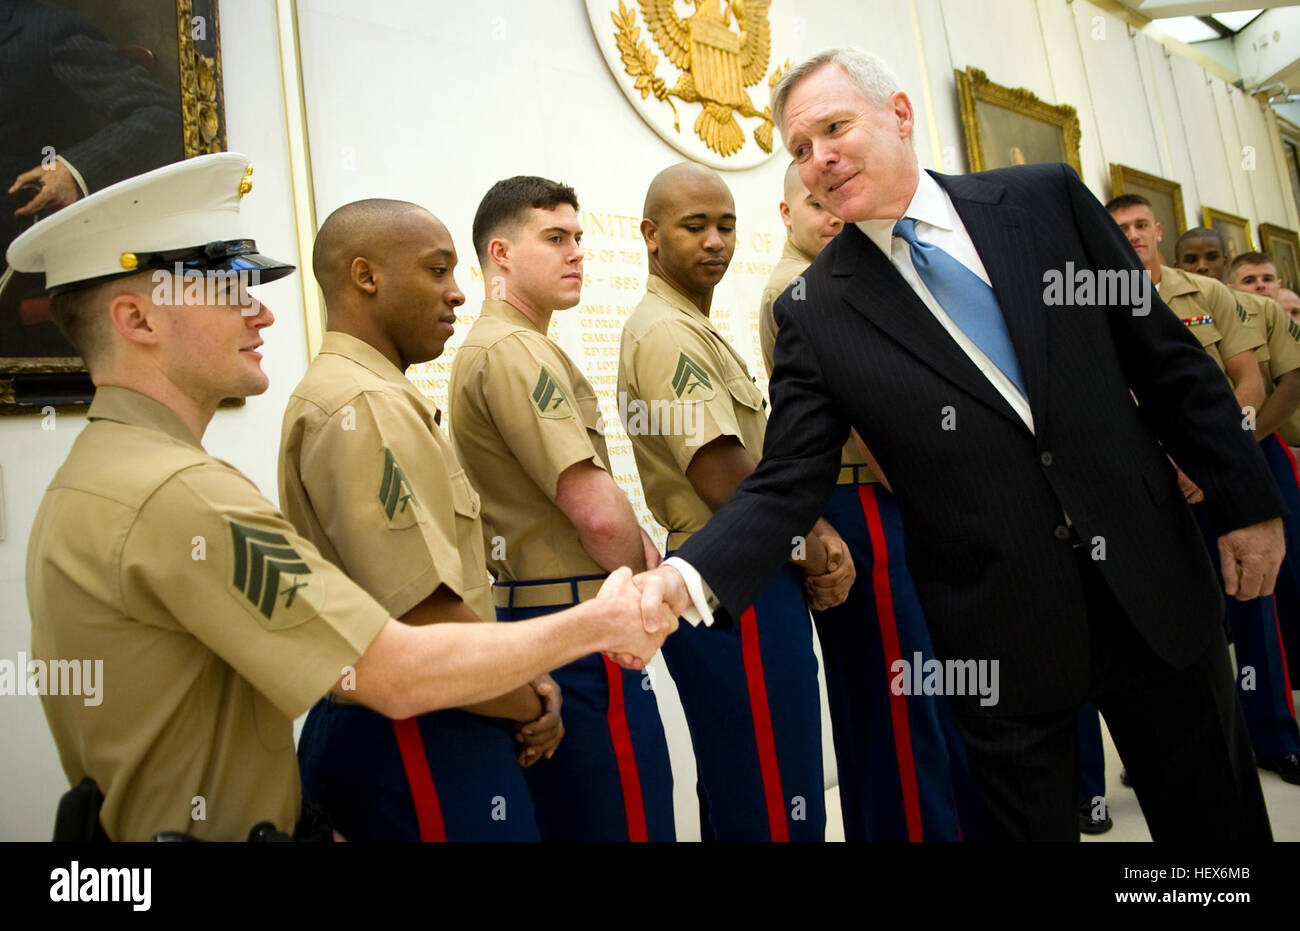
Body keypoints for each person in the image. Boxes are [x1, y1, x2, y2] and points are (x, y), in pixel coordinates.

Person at [634, 47, 1284, 842]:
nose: (819, 160)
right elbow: (784, 481)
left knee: (1213, 834)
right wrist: (687, 579)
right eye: (800, 149)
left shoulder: (1044, 202)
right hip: (998, 631)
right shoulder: (818, 311)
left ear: (900, 115)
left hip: (1151, 580)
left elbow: (1168, 359)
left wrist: (1247, 502)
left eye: (835, 128)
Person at [10, 153, 673, 841]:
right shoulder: (179, 492)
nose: (262, 312)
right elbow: (390, 664)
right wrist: (597, 623)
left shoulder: (97, 474)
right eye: (228, 288)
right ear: (137, 319)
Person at [277, 199, 568, 840]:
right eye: (437, 271)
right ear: (366, 276)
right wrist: (532, 697)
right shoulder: (364, 403)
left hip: (439, 711)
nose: (458, 294)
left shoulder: (373, 393)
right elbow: (422, 615)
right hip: (417, 730)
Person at [758, 161, 984, 840]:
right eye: (815, 203)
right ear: (786, 212)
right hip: (863, 503)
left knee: (908, 701)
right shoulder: (799, 291)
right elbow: (868, 424)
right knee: (897, 704)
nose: (833, 215)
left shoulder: (840, 280)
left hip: (884, 504)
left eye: (837, 202)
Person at [619, 162, 845, 841]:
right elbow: (722, 473)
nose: (715, 240)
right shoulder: (667, 332)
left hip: (740, 574)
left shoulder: (690, 324)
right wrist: (815, 544)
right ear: (651, 235)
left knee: (749, 791)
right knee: (773, 800)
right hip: (733, 581)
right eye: (695, 226)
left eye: (726, 225)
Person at [448, 176, 676, 842]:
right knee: (629, 822)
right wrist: (644, 583)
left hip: (546, 614)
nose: (577, 252)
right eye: (555, 238)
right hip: (581, 623)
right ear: (501, 254)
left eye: (578, 237)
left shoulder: (505, 345)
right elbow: (598, 515)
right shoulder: (515, 349)